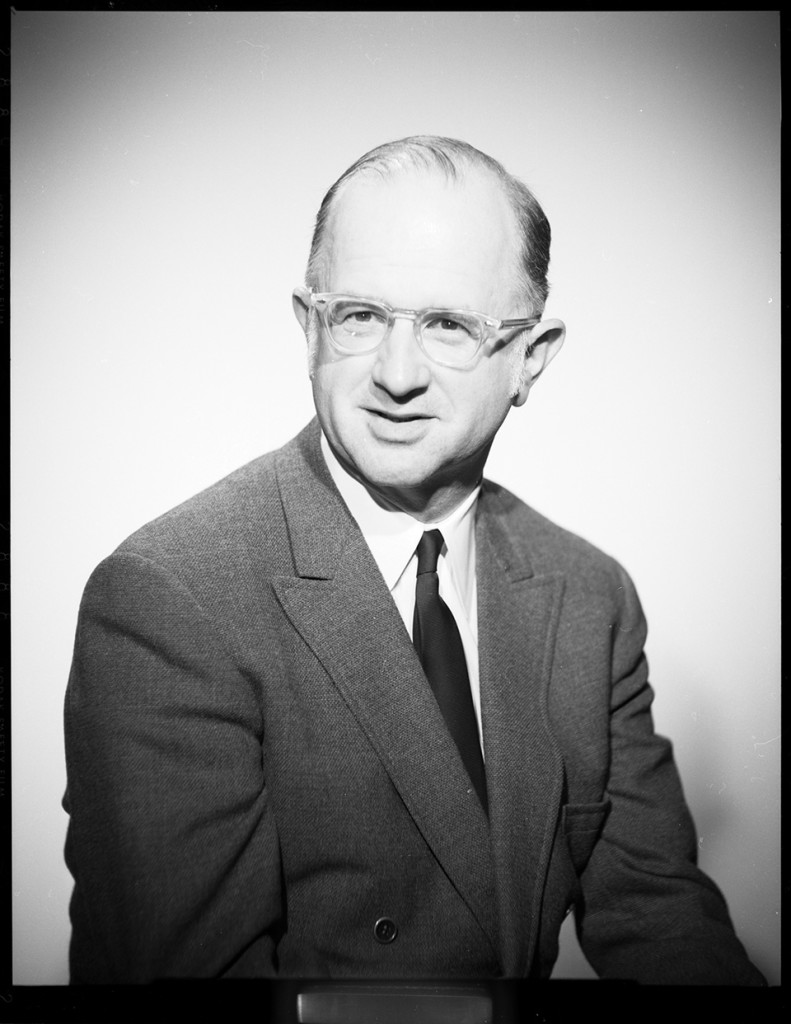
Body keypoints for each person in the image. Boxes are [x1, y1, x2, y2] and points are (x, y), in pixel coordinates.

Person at [62, 136, 765, 985]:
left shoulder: (587, 594)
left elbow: (659, 916)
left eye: (448, 326)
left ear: (529, 360)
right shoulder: (173, 597)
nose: (396, 375)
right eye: (360, 316)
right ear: (309, 328)